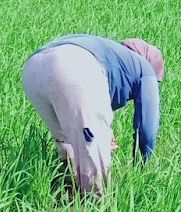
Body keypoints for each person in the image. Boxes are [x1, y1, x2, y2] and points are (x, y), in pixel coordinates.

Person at [21, 34, 164, 194]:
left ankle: (64, 197)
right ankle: (97, 211)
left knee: (67, 142)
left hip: (32, 68)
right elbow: (146, 129)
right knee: (94, 156)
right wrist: (141, 166)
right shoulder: (145, 68)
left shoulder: (112, 54)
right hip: (73, 65)